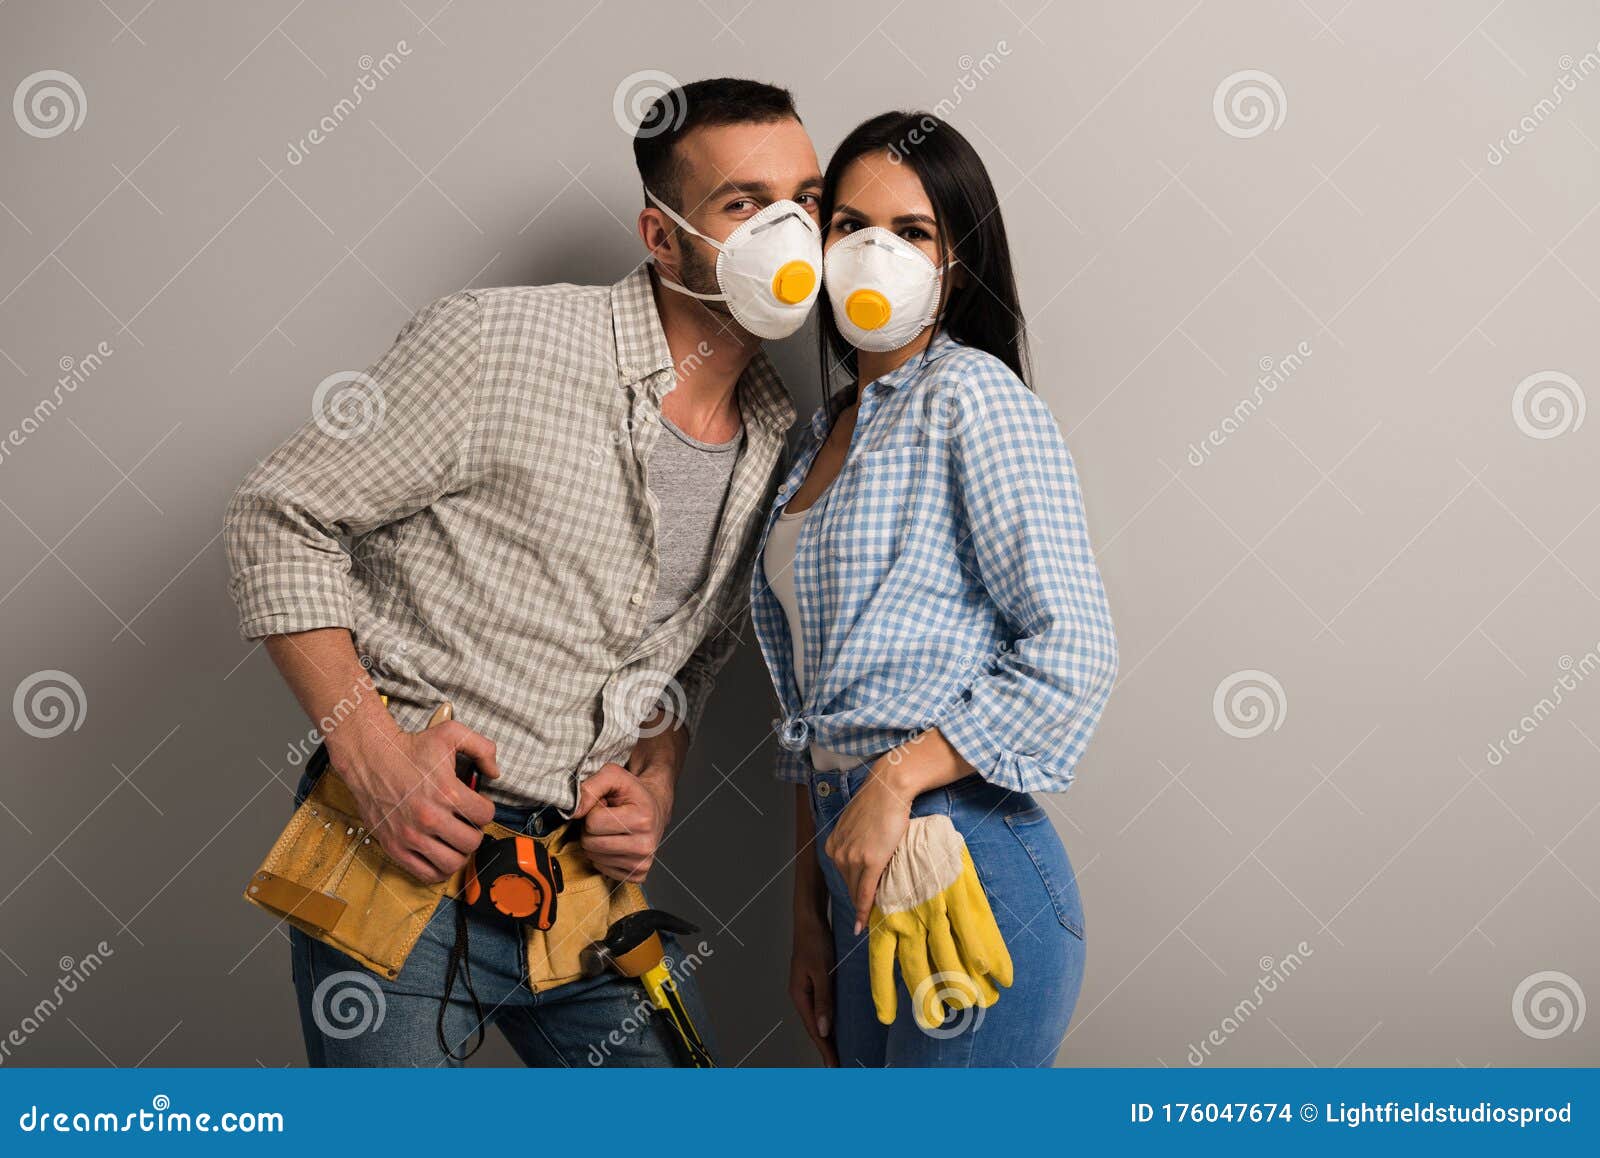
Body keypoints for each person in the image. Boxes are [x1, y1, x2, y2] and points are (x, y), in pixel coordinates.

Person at [224, 77, 823, 1065]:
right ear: (662, 235)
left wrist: (656, 780)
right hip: (396, 855)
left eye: (802, 200)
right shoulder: (498, 342)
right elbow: (277, 513)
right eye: (744, 204)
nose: (788, 234)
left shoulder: (771, 436)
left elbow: (693, 657)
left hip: (577, 885)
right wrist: (369, 755)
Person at [754, 112, 1118, 1067]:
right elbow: (815, 711)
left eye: (911, 232)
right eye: (850, 225)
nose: (875, 252)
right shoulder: (808, 442)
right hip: (852, 865)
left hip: (957, 857)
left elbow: (1072, 647)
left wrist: (898, 777)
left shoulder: (974, 397)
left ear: (956, 263)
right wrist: (809, 914)